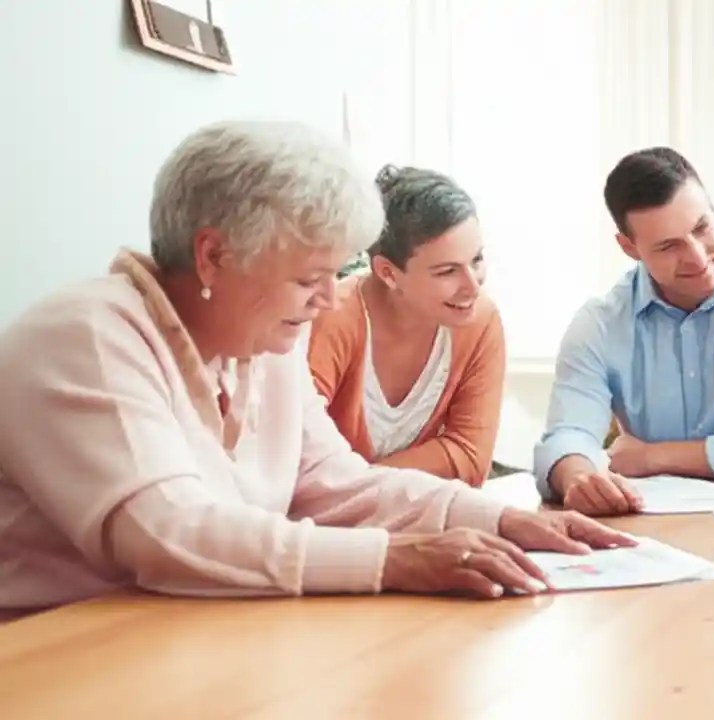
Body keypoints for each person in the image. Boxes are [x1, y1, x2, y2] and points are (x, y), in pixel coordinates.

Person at [0, 121, 631, 621]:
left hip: (179, 629)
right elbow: (167, 534)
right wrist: (392, 560)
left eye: (336, 272)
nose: (330, 299)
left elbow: (339, 485)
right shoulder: (87, 336)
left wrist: (494, 519)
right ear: (214, 256)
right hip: (54, 648)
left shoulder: (262, 346)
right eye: (310, 277)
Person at [532, 147, 714, 516]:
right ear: (629, 247)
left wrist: (654, 457)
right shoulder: (600, 324)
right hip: (651, 530)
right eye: (669, 246)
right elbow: (567, 435)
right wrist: (578, 477)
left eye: (701, 228)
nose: (698, 258)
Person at [309, 165, 503, 487]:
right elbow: (297, 461)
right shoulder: (331, 318)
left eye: (477, 260)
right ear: (388, 273)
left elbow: (470, 458)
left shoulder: (478, 320)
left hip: (404, 517)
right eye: (447, 272)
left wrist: (359, 483)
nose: (472, 286)